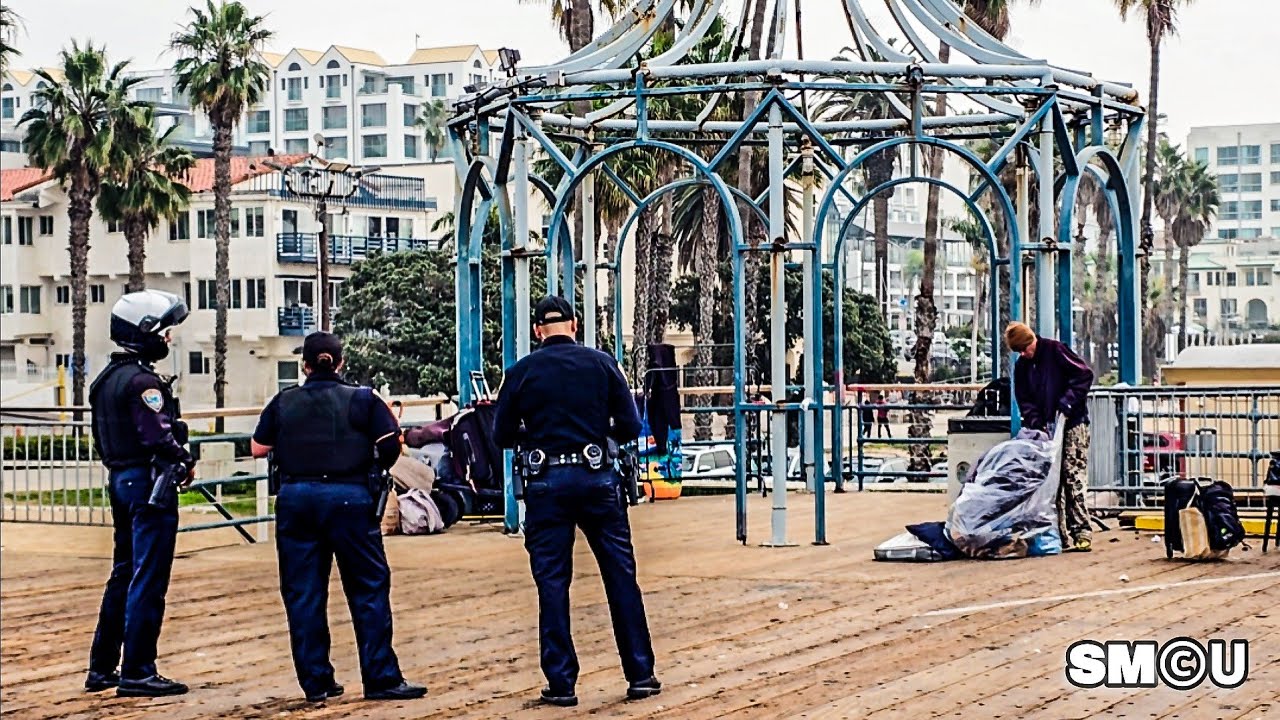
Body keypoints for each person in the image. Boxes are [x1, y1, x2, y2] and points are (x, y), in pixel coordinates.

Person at [493, 296, 660, 708]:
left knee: (552, 584)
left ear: (537, 330)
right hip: (597, 478)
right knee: (620, 577)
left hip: (546, 484)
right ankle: (640, 674)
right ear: (575, 324)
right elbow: (631, 425)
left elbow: (501, 435)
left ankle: (562, 683)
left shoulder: (520, 373)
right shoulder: (602, 364)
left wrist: (535, 437)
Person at [250, 332, 425, 704]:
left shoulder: (283, 401)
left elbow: (258, 447)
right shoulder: (363, 399)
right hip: (350, 498)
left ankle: (317, 681)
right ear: (341, 362)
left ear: (305, 366)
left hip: (296, 499)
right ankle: (380, 679)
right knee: (367, 589)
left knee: (303, 592)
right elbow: (391, 443)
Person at [86, 289, 194, 697]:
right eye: (164, 331)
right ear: (145, 330)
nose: (168, 338)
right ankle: (138, 669)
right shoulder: (143, 383)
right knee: (148, 575)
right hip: (149, 483)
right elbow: (156, 436)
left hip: (120, 479)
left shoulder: (105, 380)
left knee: (124, 572)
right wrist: (183, 458)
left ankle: (102, 666)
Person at [1004, 321, 1096, 552]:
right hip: (1046, 427)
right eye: (1019, 351)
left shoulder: (1055, 350)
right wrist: (1035, 421)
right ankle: (1058, 533)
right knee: (1050, 481)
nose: (1024, 354)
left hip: (1072, 423)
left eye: (1025, 349)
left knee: (1073, 476)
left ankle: (1081, 530)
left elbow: (1084, 375)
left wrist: (1067, 402)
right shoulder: (1022, 366)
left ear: (1032, 341)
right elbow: (1024, 399)